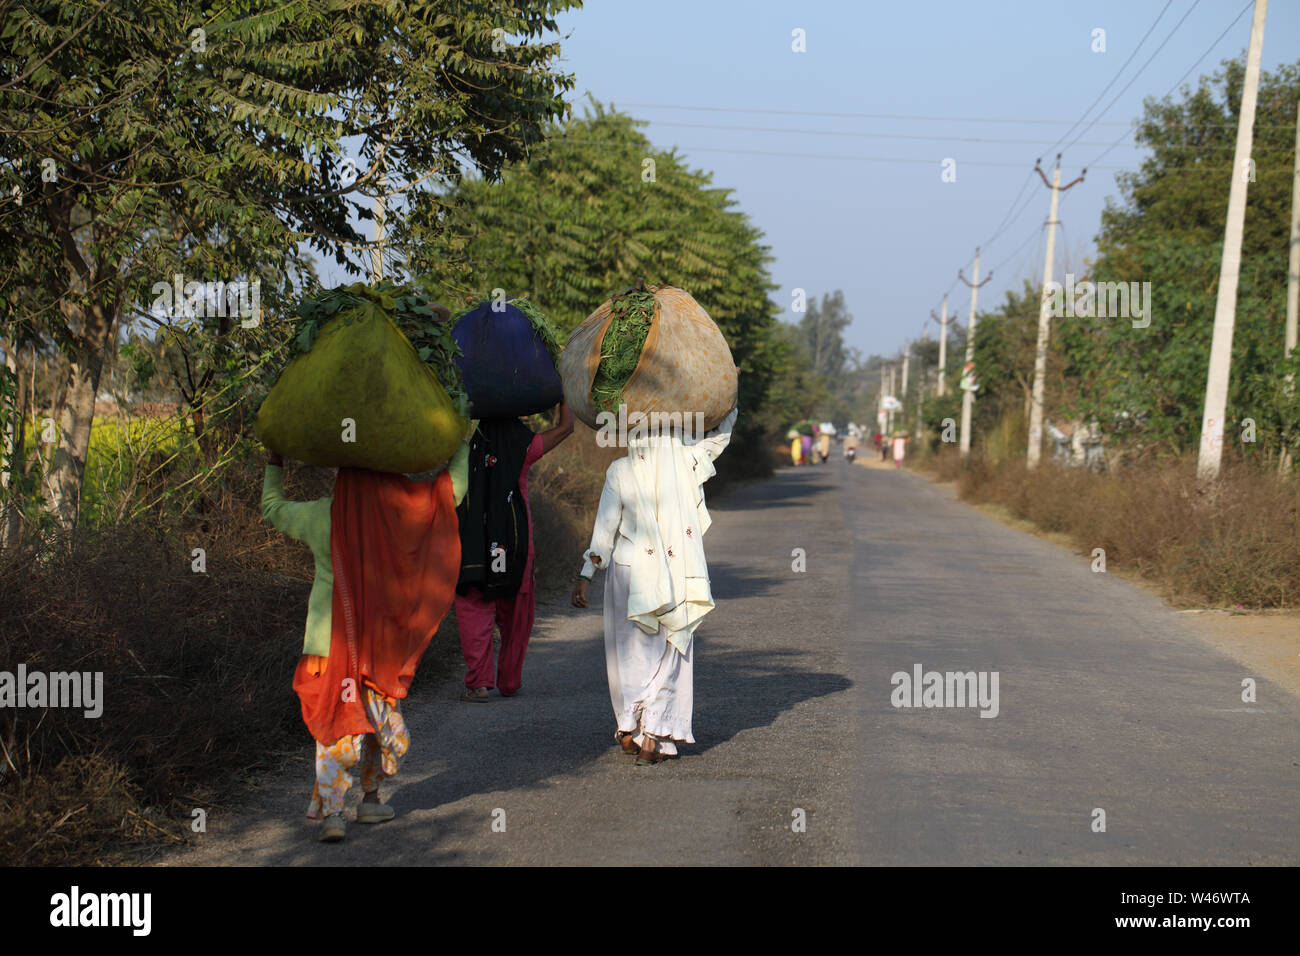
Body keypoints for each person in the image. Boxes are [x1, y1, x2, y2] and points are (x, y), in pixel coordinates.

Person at [262, 441, 468, 843]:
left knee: (335, 727)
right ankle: (371, 799)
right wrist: (464, 437)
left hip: (326, 645)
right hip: (380, 649)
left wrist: (275, 460)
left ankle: (334, 814)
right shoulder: (397, 514)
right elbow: (452, 490)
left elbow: (272, 507)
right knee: (373, 722)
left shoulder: (323, 514)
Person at [571, 406, 738, 765]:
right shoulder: (685, 462)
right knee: (669, 651)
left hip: (629, 573)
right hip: (676, 567)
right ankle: (652, 735)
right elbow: (719, 438)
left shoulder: (621, 470)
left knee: (628, 654)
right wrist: (731, 400)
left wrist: (587, 573)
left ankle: (628, 725)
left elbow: (605, 527)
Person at [455, 403, 573, 701]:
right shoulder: (526, 446)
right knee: (517, 612)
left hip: (474, 544)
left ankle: (479, 683)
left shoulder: (464, 450)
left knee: (474, 604)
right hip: (514, 544)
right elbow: (566, 427)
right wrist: (564, 394)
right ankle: (509, 680)